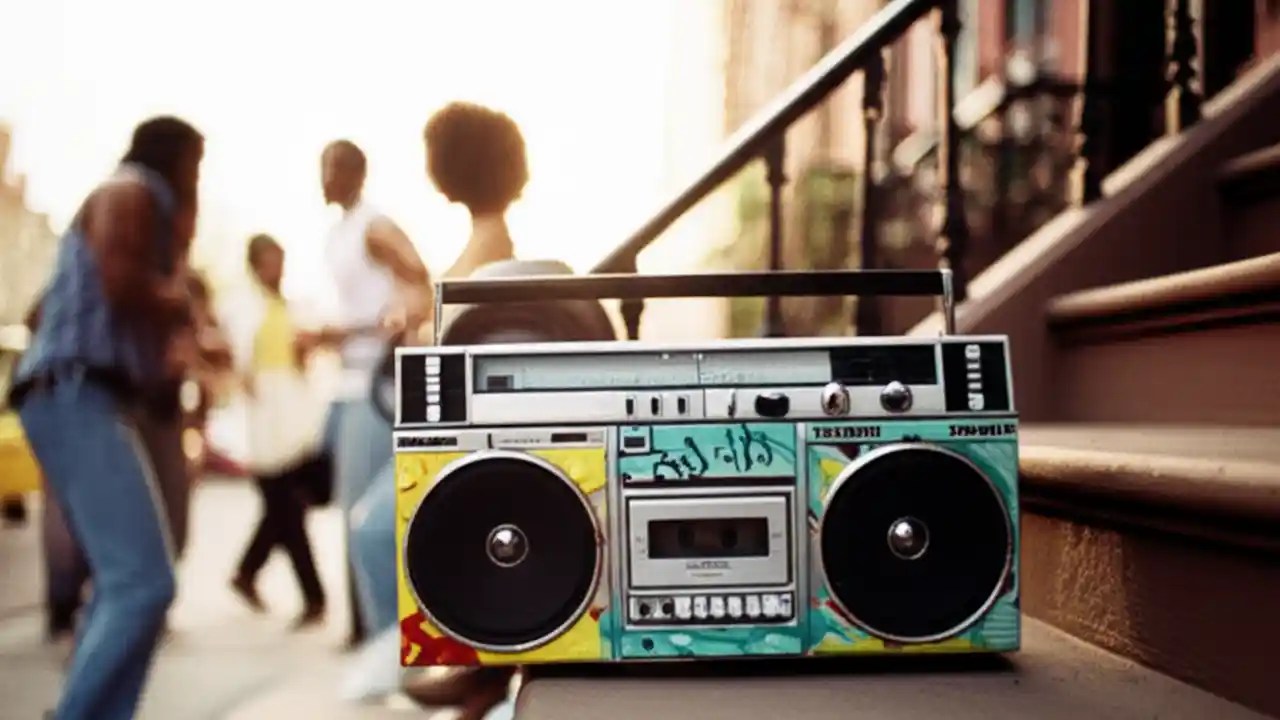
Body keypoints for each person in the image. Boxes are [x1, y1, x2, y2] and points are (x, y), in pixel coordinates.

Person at [9, 116, 204, 720]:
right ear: (178, 158)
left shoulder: (120, 200)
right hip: (76, 395)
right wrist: (183, 304)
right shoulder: (135, 190)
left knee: (130, 583)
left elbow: (46, 309)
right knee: (141, 583)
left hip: (78, 395)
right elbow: (123, 281)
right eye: (197, 164)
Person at [362, 101, 526, 719]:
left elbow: (457, 330)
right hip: (447, 416)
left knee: (379, 530)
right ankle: (462, 667)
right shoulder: (483, 240)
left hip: (466, 424)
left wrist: (416, 313)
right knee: (377, 529)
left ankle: (458, 660)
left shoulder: (490, 244)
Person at [303, 139, 431, 649]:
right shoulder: (339, 230)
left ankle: (386, 641)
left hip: (377, 383)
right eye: (321, 167)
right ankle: (365, 630)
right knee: (345, 509)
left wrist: (363, 331)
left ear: (356, 173)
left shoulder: (374, 225)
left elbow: (419, 279)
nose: (323, 178)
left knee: (369, 517)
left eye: (332, 168)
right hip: (348, 383)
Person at [227, 234, 327, 628]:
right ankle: (312, 596)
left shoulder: (287, 306)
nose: (278, 269)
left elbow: (300, 361)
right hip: (267, 413)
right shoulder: (245, 306)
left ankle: (247, 573)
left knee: (282, 507)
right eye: (270, 261)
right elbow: (241, 362)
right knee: (285, 507)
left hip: (293, 409)